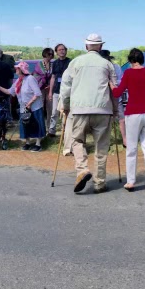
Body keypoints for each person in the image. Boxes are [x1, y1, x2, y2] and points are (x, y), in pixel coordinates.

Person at [58, 33, 120, 193]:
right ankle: (99, 183)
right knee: (101, 147)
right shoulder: (107, 64)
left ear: (86, 46)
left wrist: (64, 105)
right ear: (100, 47)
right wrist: (115, 110)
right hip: (102, 109)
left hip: (80, 109)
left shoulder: (75, 63)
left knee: (77, 141)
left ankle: (82, 169)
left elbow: (65, 87)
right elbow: (115, 89)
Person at [113, 48, 145, 195]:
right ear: (141, 59)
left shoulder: (128, 73)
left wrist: (111, 84)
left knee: (131, 148)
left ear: (131, 61)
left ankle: (131, 181)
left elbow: (117, 93)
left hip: (133, 113)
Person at [0, 61, 44, 151]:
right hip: (24, 106)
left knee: (36, 124)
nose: (15, 69)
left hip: (34, 106)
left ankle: (38, 144)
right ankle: (27, 143)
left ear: (21, 70)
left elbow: (37, 93)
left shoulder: (30, 79)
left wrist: (30, 103)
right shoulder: (19, 81)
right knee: (25, 124)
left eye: (17, 68)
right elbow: (9, 91)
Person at [47, 43, 71, 137]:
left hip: (67, 91)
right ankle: (51, 130)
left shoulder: (70, 62)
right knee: (54, 112)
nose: (62, 51)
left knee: (66, 111)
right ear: (56, 52)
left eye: (63, 49)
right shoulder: (55, 63)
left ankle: (64, 130)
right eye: (60, 50)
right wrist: (50, 92)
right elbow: (53, 77)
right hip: (56, 90)